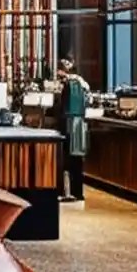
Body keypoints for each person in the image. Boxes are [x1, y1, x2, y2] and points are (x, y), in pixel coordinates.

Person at [56, 57, 89, 202]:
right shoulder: (80, 83)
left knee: (68, 161)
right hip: (79, 124)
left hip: (71, 124)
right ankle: (77, 192)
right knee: (77, 161)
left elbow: (65, 108)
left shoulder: (71, 84)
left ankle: (68, 192)